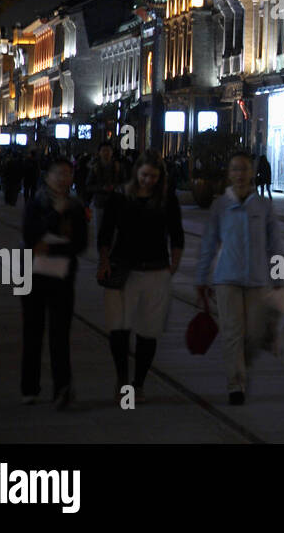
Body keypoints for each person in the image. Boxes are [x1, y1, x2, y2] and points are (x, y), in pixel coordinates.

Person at [195, 152, 284, 405]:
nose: (240, 174)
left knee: (255, 334)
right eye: (235, 169)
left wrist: (278, 277)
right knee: (232, 333)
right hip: (227, 279)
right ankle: (236, 384)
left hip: (257, 280)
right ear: (229, 174)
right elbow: (209, 244)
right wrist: (202, 278)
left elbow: (275, 244)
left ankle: (240, 366)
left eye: (244, 169)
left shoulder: (263, 206)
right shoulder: (221, 206)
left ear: (251, 173)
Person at [97, 150, 184, 399]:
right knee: (119, 329)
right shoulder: (120, 197)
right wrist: (103, 260)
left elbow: (177, 235)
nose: (148, 181)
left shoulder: (167, 199)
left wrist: (173, 267)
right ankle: (122, 378)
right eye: (145, 175)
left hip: (155, 271)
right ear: (136, 173)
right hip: (122, 271)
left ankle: (139, 383)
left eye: (154, 177)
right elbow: (105, 233)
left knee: (148, 331)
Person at [20, 157, 89, 408]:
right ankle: (29, 388)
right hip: (31, 277)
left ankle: (62, 388)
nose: (63, 178)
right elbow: (30, 237)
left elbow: (80, 244)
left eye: (67, 173)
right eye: (58, 173)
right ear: (47, 176)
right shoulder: (35, 203)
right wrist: (55, 215)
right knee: (32, 332)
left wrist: (50, 247)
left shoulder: (76, 207)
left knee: (60, 334)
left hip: (63, 277)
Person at [86, 141, 123, 237]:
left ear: (112, 152)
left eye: (108, 150)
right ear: (99, 152)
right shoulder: (95, 167)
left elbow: (125, 183)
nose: (106, 153)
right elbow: (88, 185)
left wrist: (115, 187)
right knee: (100, 230)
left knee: (115, 231)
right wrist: (102, 188)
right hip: (100, 203)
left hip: (116, 202)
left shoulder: (118, 167)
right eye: (103, 150)